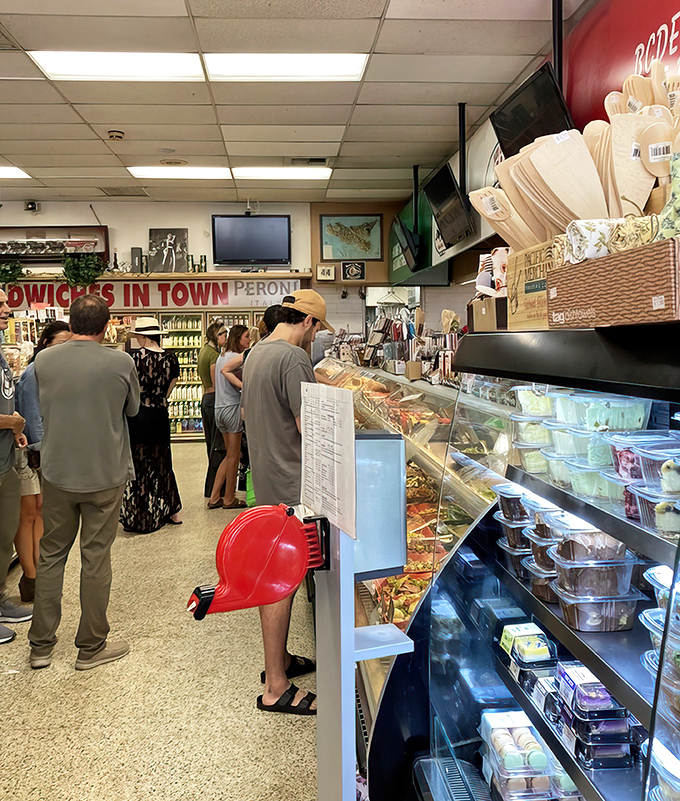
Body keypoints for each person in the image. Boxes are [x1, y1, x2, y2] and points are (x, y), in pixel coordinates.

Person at [28, 295, 140, 670]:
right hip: (105, 473)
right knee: (95, 557)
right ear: (107, 326)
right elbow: (133, 409)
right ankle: (90, 647)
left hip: (58, 471)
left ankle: (41, 645)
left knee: (51, 554)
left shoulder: (44, 359)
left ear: (70, 323)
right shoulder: (121, 362)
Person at [241, 289, 334, 715]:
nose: (314, 338)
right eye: (317, 329)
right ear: (308, 322)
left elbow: (250, 416)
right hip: (294, 484)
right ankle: (276, 687)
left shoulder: (257, 352)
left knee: (277, 576)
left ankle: (279, 663)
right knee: (281, 581)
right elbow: (308, 428)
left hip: (267, 477)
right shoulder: (294, 358)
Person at [13, 320, 72, 603]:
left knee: (41, 511)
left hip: (47, 451)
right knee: (29, 512)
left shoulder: (58, 372)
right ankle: (30, 577)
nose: (64, 350)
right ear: (45, 343)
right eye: (60, 344)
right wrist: (40, 452)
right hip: (30, 453)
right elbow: (31, 414)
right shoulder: (34, 372)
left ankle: (39, 573)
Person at [120, 317, 182, 533]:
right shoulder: (171, 359)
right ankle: (171, 510)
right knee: (162, 460)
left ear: (142, 336)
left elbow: (127, 389)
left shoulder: (132, 358)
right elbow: (169, 389)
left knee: (139, 462)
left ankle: (141, 513)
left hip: (138, 414)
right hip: (159, 415)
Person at [0, 288, 32, 646]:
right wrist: (12, 423)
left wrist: (14, 431)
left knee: (3, 536)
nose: (8, 309)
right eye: (1, 305)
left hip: (5, 458)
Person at [208, 324, 250, 509]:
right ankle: (229, 498)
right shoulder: (237, 358)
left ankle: (214, 496)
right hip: (232, 407)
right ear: (238, 338)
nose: (249, 340)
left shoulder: (221, 356)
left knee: (228, 454)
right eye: (246, 337)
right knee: (234, 456)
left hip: (219, 408)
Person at [198, 322, 227, 497]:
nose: (226, 337)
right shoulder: (214, 356)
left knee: (211, 444)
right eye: (223, 334)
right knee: (218, 447)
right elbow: (216, 383)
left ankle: (212, 487)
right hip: (213, 398)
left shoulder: (203, 351)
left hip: (205, 399)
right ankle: (215, 488)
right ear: (216, 336)